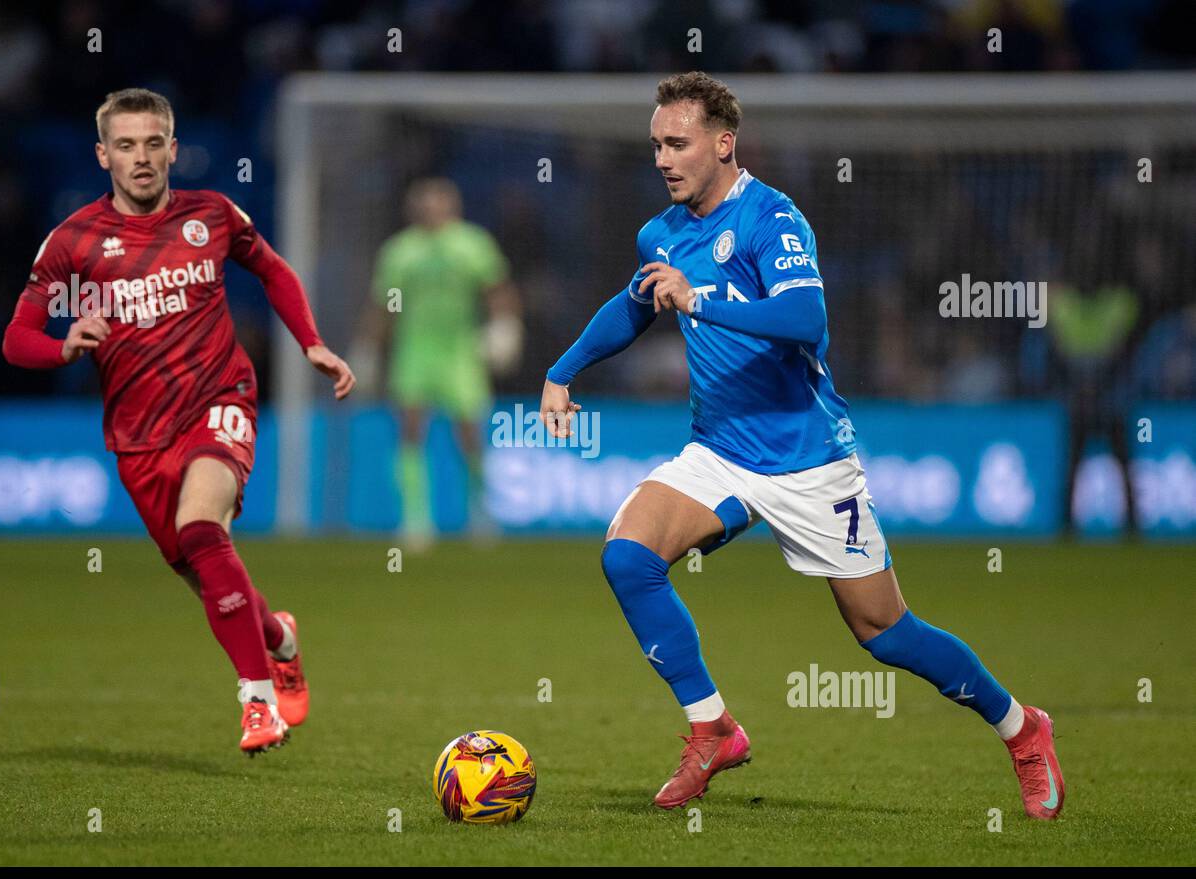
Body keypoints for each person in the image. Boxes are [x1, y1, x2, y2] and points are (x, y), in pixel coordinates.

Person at [540, 72, 1064, 818]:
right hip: (719, 450)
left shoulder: (772, 218)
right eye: (656, 143)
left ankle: (1023, 729)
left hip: (808, 461)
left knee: (884, 632)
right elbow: (634, 306)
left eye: (678, 143)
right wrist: (562, 372)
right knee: (627, 557)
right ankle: (712, 728)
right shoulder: (662, 233)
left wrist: (705, 298)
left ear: (724, 144)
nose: (663, 158)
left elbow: (804, 319)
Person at [3, 88, 355, 754]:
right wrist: (63, 345)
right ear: (104, 154)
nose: (142, 157)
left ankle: (258, 706)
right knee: (205, 568)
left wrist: (308, 340)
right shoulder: (73, 240)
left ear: (172, 146)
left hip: (220, 398)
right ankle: (278, 636)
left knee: (201, 525)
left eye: (153, 142)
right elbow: (15, 338)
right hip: (139, 438)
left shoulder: (212, 215)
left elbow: (272, 270)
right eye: (127, 145)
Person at [355, 178, 521, 547]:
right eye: (426, 205)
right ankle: (415, 519)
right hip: (414, 349)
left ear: (453, 206)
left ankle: (479, 512)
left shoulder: (472, 245)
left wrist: (504, 326)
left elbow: (497, 289)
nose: (433, 211)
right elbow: (385, 305)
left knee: (470, 433)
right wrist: (368, 349)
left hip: (460, 349)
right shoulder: (401, 251)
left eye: (440, 204)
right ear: (414, 210)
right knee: (411, 428)